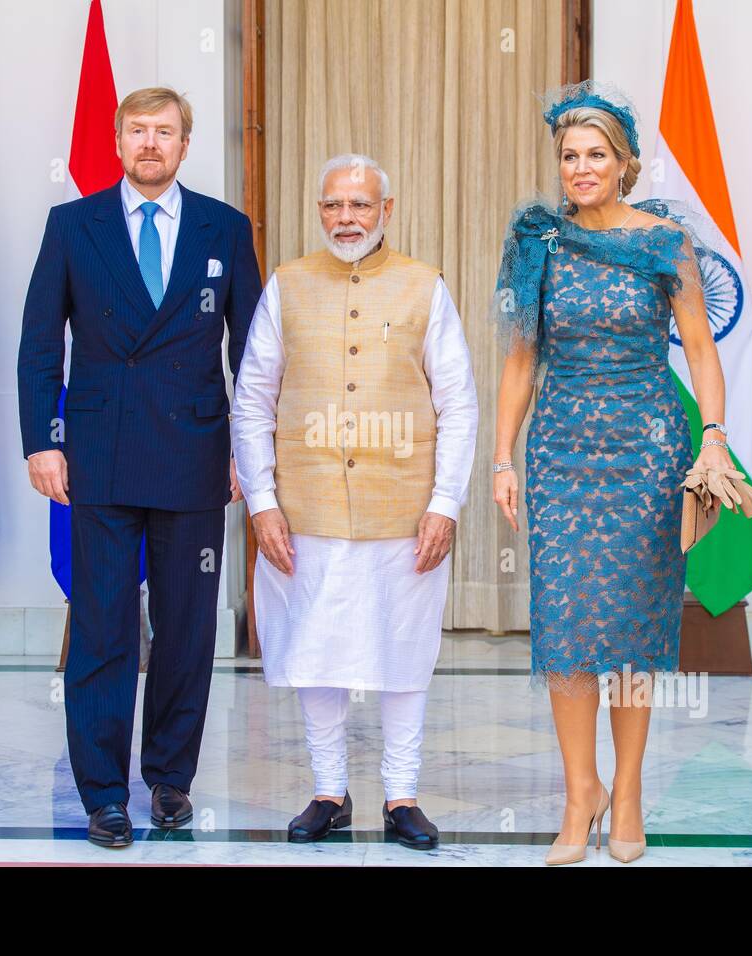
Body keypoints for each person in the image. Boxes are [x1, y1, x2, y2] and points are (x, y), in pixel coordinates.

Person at [490, 80, 733, 864]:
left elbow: (699, 349)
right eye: (570, 156)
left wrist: (715, 438)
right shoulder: (540, 242)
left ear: (625, 163)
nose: (581, 168)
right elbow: (521, 358)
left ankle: (626, 795)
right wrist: (502, 456)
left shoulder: (667, 243)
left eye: (597, 155)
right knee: (566, 631)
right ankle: (578, 794)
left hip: (648, 455)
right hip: (560, 456)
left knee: (632, 631)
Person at [17, 87, 262, 848]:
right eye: (137, 131)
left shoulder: (226, 226)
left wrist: (246, 456)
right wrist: (42, 441)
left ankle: (169, 782)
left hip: (194, 458)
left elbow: (252, 355)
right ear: (118, 142)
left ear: (186, 145)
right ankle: (102, 793)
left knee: (187, 629)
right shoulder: (72, 225)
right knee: (103, 627)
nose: (150, 144)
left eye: (165, 132)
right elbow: (37, 346)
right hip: (100, 459)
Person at [232, 153, 478, 850]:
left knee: (403, 649)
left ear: (386, 211)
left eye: (360, 205)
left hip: (402, 510)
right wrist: (261, 501)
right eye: (334, 206)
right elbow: (252, 398)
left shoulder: (423, 286)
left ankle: (402, 797)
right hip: (304, 508)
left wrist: (445, 502)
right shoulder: (287, 284)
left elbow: (458, 402)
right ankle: (327, 792)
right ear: (320, 211)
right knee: (317, 648)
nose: (347, 218)